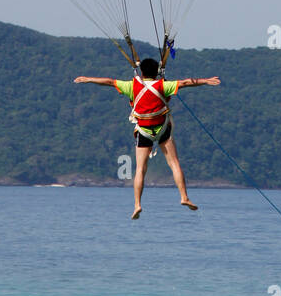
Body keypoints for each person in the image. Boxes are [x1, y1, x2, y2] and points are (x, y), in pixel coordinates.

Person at [73, 57, 220, 219]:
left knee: (140, 169)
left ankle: (137, 205)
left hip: (143, 131)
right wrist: (205, 81)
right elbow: (186, 83)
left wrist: (88, 79)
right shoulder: (163, 85)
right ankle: (184, 197)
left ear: (142, 72)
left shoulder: (132, 85)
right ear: (156, 72)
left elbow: (109, 82)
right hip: (163, 129)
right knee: (174, 164)